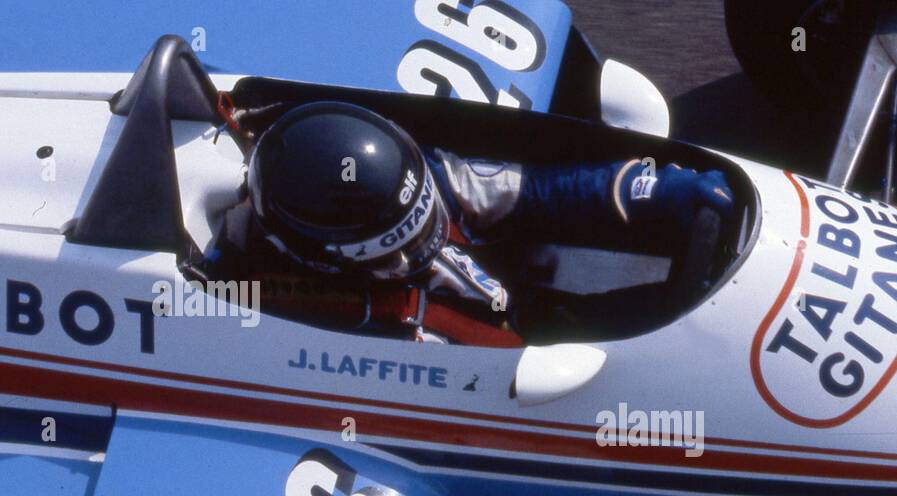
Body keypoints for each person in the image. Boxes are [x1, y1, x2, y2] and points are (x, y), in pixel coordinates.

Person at [204, 100, 735, 345]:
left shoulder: (427, 179)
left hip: (509, 299)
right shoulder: (309, 312)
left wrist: (656, 186)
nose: (427, 246)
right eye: (398, 252)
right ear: (324, 261)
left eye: (424, 222)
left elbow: (543, 191)